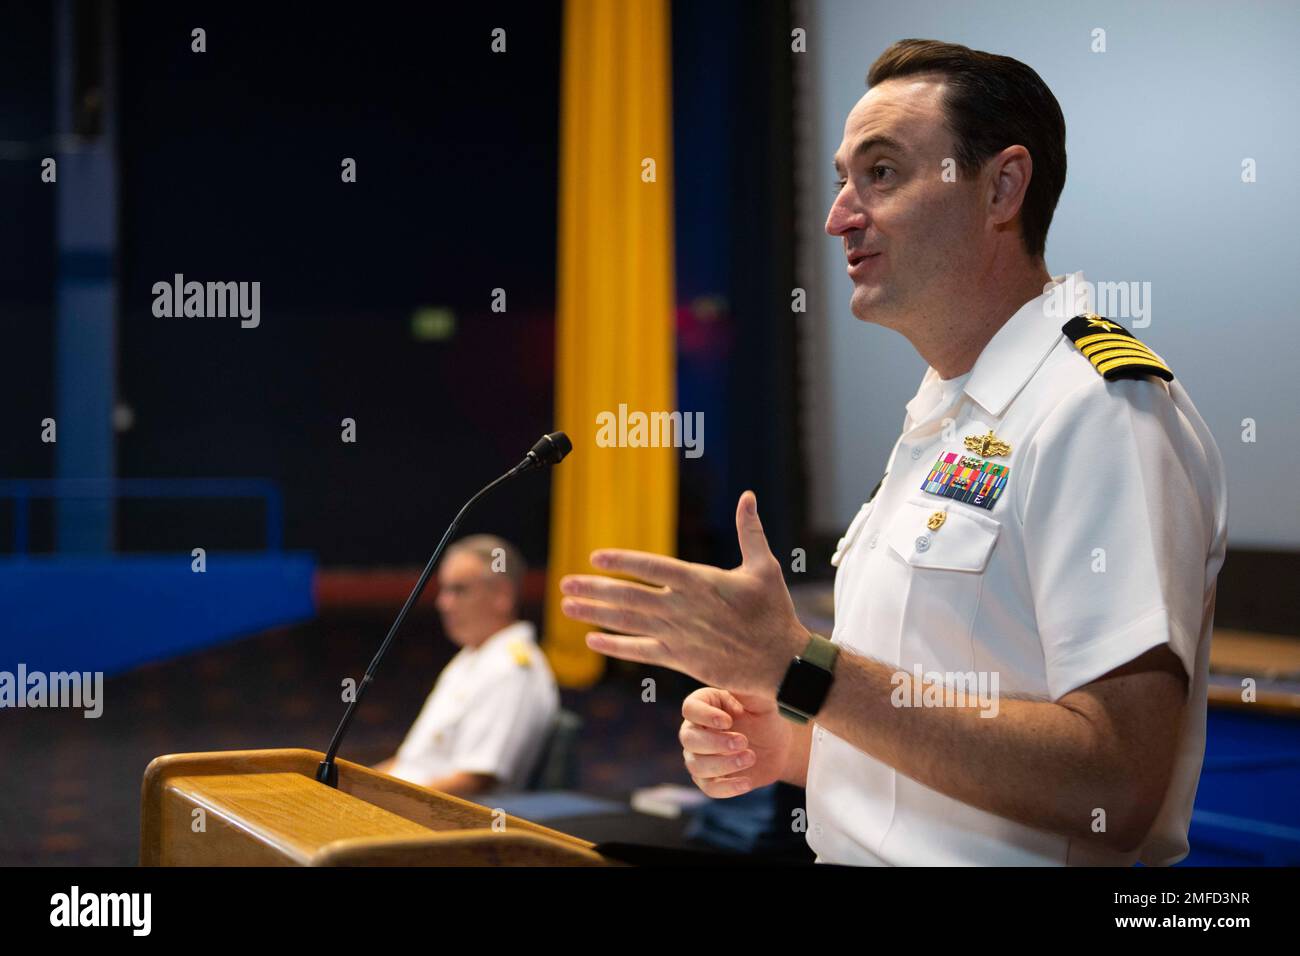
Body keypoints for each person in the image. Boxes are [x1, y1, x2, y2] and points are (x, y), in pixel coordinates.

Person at [559, 38, 1227, 865]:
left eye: (880, 173)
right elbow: (925, 737)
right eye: (841, 178)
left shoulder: (1097, 409)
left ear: (1002, 188)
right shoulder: (945, 414)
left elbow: (1113, 787)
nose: (840, 214)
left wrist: (802, 668)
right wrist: (791, 738)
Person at [375, 534, 558, 798]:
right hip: (408, 808)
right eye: (444, 589)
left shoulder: (511, 670)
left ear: (502, 596)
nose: (443, 603)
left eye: (459, 590)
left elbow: (474, 782)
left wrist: (378, 800)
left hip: (439, 826)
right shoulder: (471, 657)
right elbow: (409, 763)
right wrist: (352, 788)